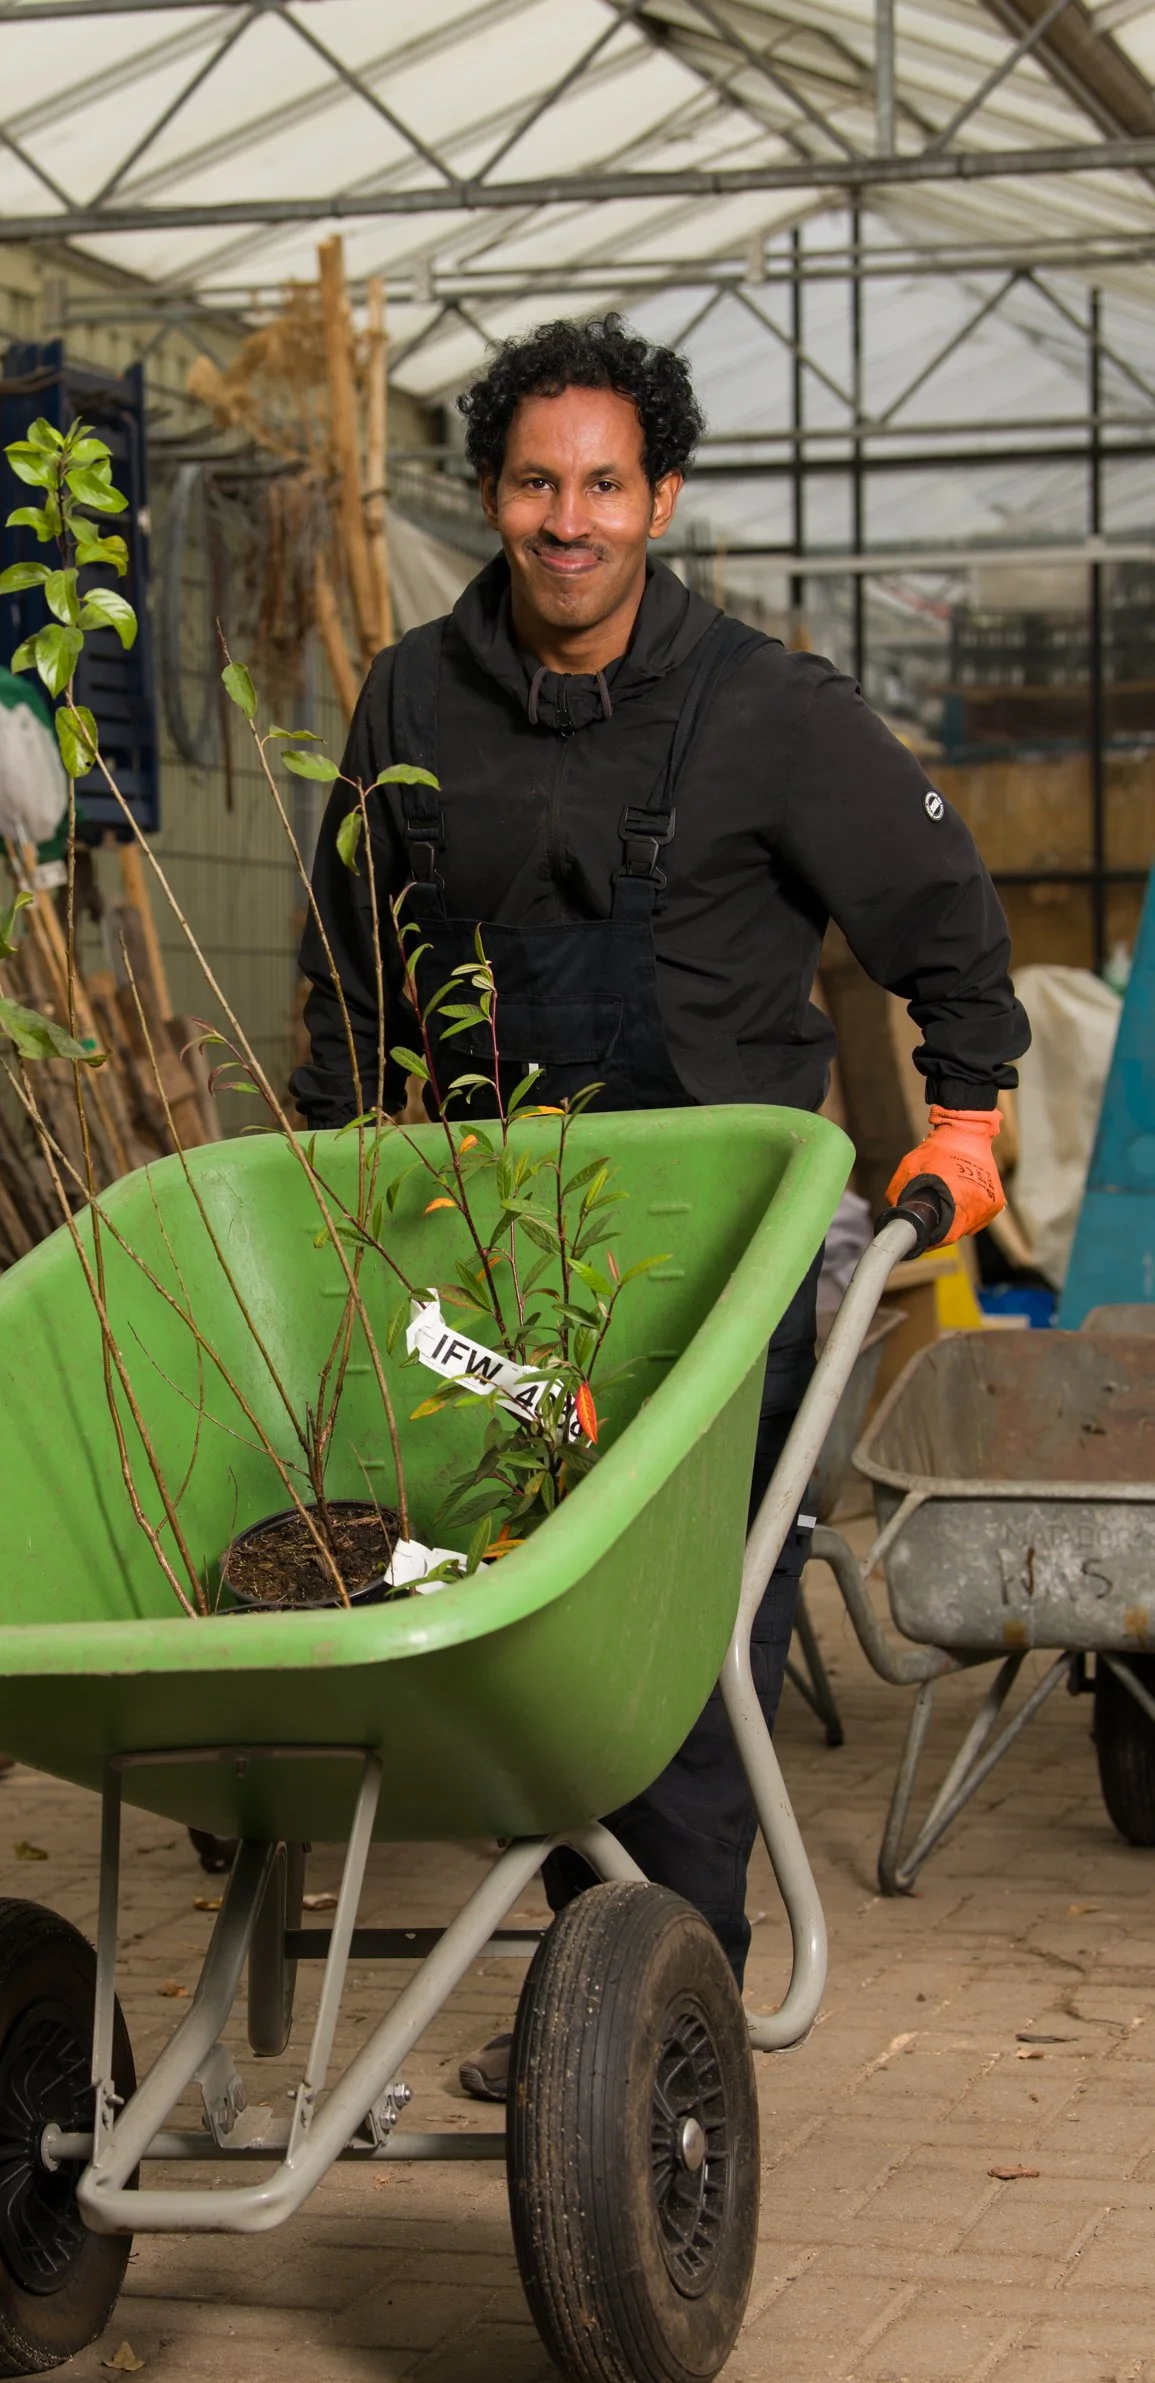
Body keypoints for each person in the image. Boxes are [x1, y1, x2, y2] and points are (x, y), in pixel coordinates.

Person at [290, 314, 1028, 2100]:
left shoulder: (770, 705)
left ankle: (657, 2025)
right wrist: (325, 1165)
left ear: (660, 498)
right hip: (492, 1263)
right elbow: (348, 966)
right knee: (532, 1612)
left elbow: (939, 908)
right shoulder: (408, 696)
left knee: (691, 1638)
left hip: (716, 1267)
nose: (567, 519)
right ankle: (599, 1985)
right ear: (490, 496)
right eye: (535, 483)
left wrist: (969, 1117)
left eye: (603, 484)